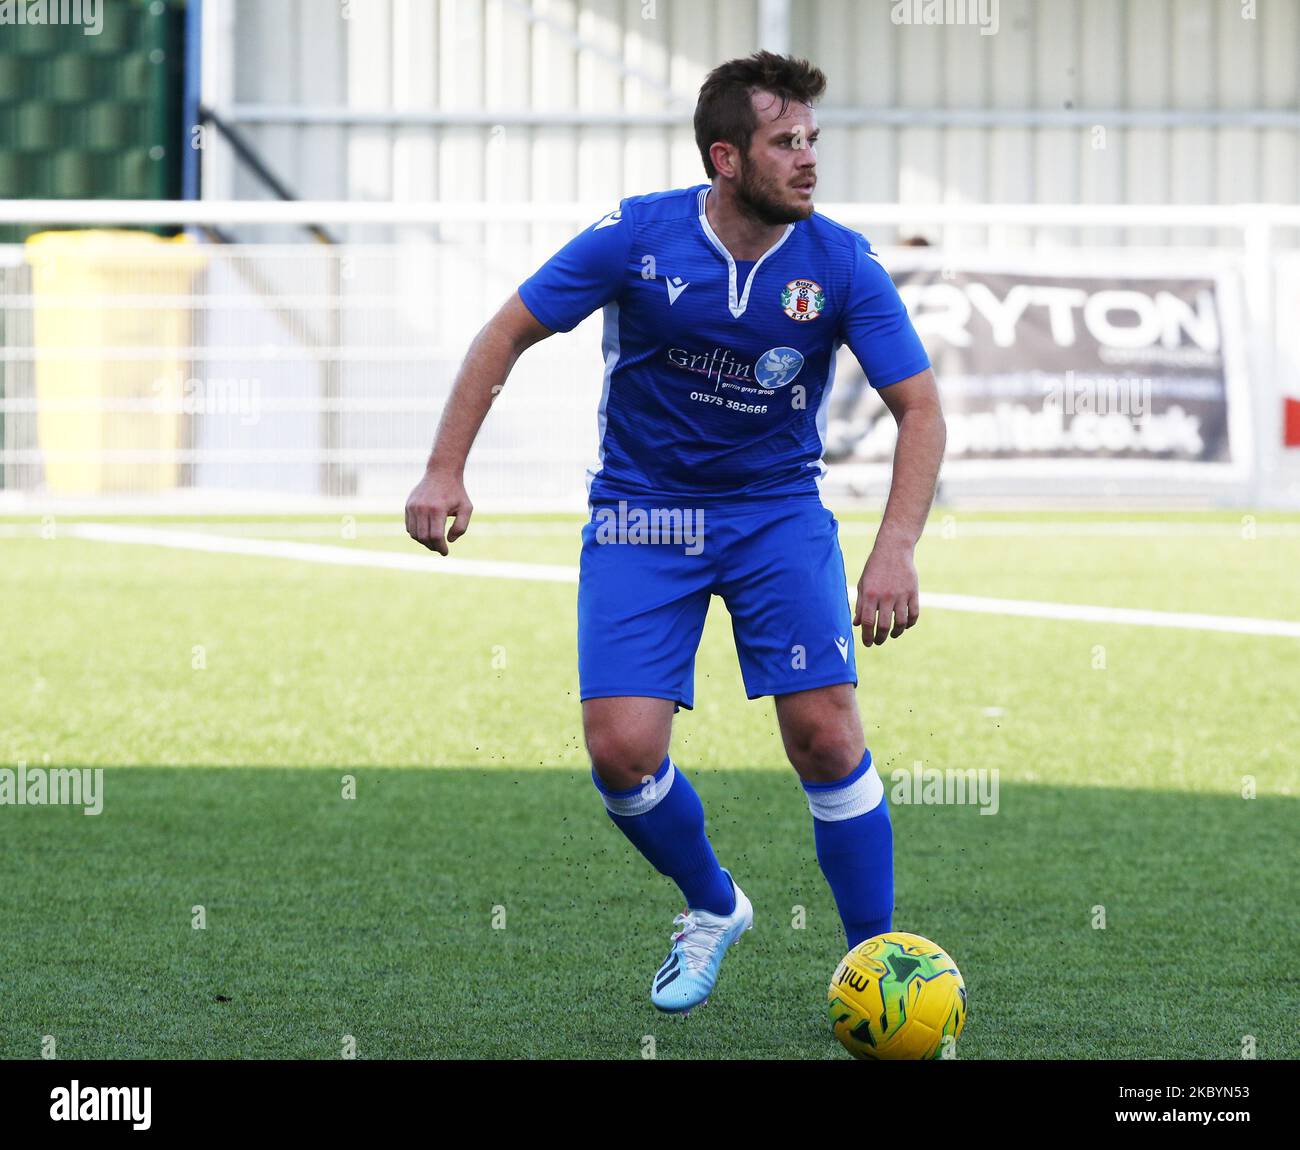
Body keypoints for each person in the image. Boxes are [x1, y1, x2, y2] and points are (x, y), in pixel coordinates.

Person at [405, 51, 947, 1015]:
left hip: (775, 512)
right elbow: (506, 334)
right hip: (642, 515)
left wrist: (895, 545)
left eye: (814, 140)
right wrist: (446, 466)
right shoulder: (636, 237)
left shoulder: (842, 262)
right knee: (620, 752)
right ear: (726, 158)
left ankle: (878, 967)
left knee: (823, 734)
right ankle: (712, 905)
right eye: (787, 143)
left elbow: (920, 409)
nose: (809, 160)